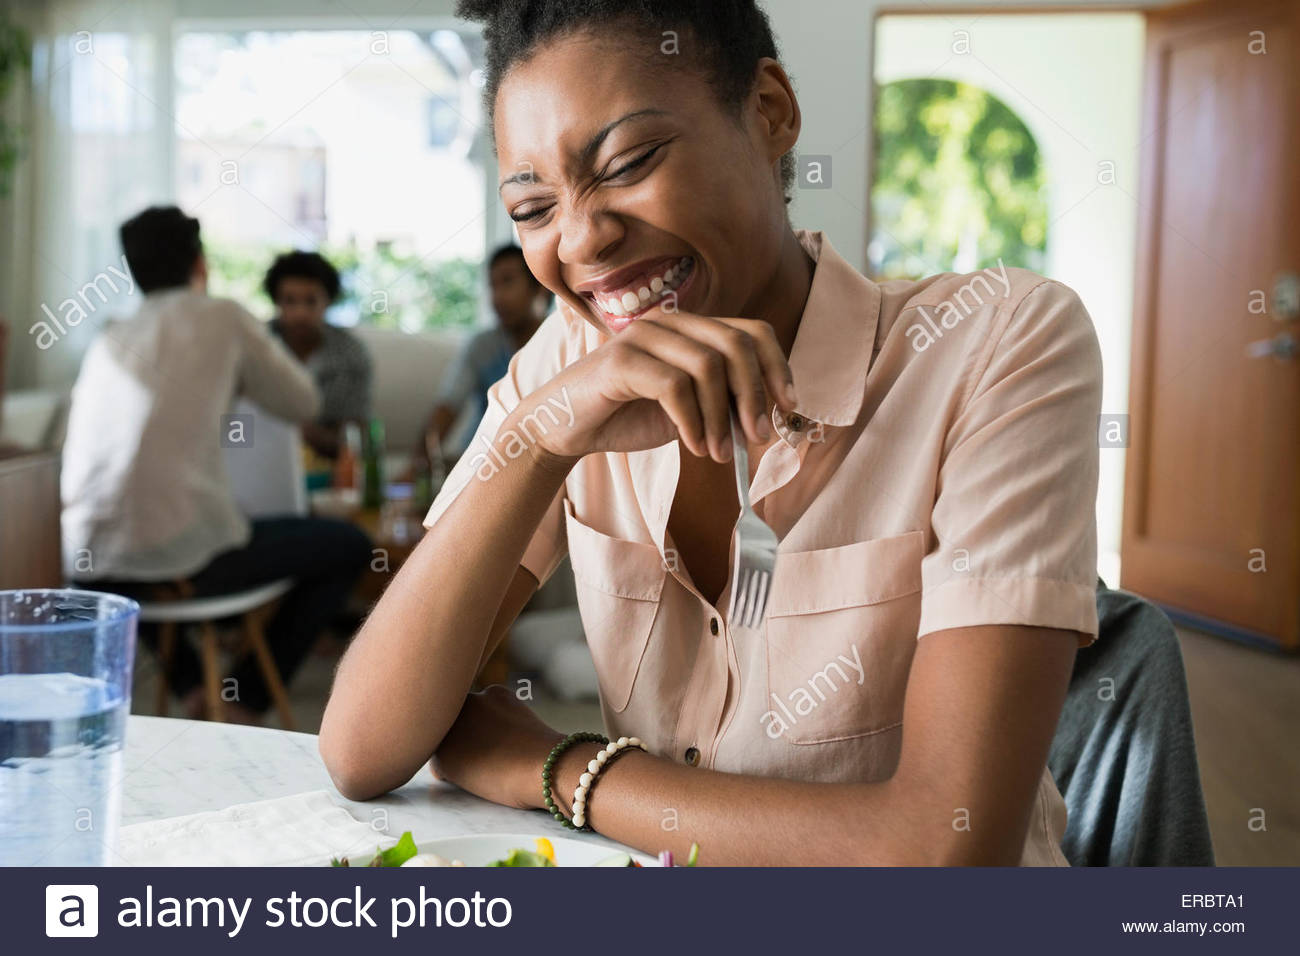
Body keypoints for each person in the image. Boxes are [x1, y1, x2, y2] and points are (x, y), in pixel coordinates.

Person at [320, 0, 1102, 867]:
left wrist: (561, 767)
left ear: (770, 111)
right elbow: (362, 747)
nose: (582, 239)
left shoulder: (996, 344)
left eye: (629, 162)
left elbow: (943, 849)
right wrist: (543, 439)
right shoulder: (573, 362)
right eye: (534, 207)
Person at [63, 206, 372, 724]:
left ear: (134, 271)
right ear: (199, 263)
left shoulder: (109, 334)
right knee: (349, 546)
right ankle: (245, 698)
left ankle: (190, 686)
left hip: (89, 570)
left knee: (155, 554)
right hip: (183, 562)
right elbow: (304, 405)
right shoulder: (224, 318)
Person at [420, 243, 548, 457]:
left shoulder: (559, 341)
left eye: (508, 282)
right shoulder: (482, 347)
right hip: (479, 460)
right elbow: (448, 406)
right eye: (492, 286)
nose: (497, 297)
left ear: (538, 285)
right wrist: (417, 468)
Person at [265, 250, 373, 459]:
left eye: (311, 301)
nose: (300, 313)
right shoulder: (256, 344)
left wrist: (305, 432)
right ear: (276, 301)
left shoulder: (351, 355)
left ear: (328, 301)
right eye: (290, 301)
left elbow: (355, 438)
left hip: (328, 468)